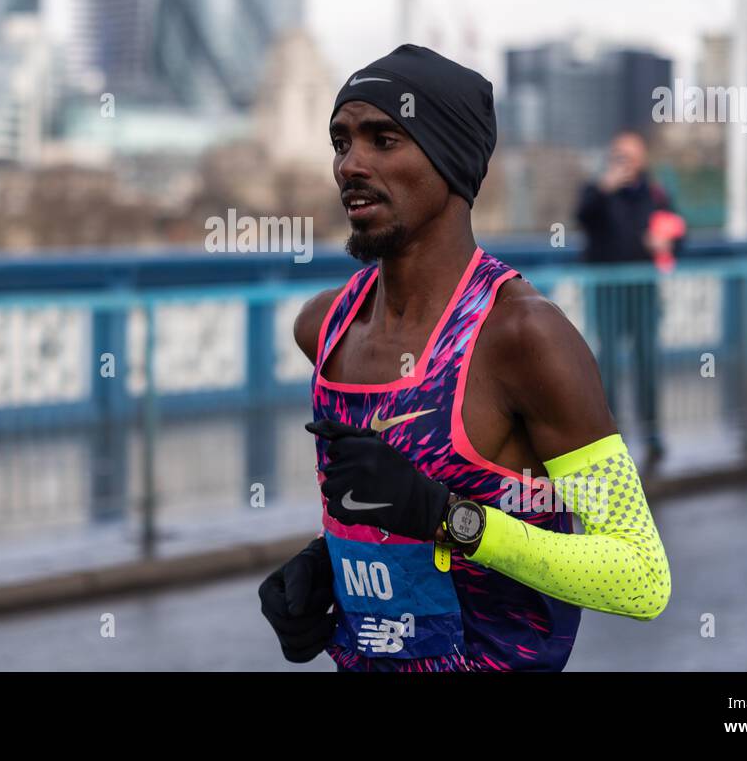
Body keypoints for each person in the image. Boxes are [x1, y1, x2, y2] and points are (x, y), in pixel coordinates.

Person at [258, 45, 670, 671]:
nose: (351, 164)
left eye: (384, 139)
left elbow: (639, 576)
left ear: (449, 159)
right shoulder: (324, 327)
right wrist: (325, 568)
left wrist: (451, 519)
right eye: (342, 142)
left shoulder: (523, 337)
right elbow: (389, 517)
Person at [575, 129, 681, 467]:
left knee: (648, 360)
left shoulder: (655, 192)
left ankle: (651, 433)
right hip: (608, 291)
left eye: (631, 157)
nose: (625, 163)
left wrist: (666, 245)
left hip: (644, 291)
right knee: (605, 365)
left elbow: (677, 231)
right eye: (619, 156)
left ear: (642, 160)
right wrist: (604, 189)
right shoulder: (598, 190)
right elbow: (581, 216)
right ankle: (610, 438)